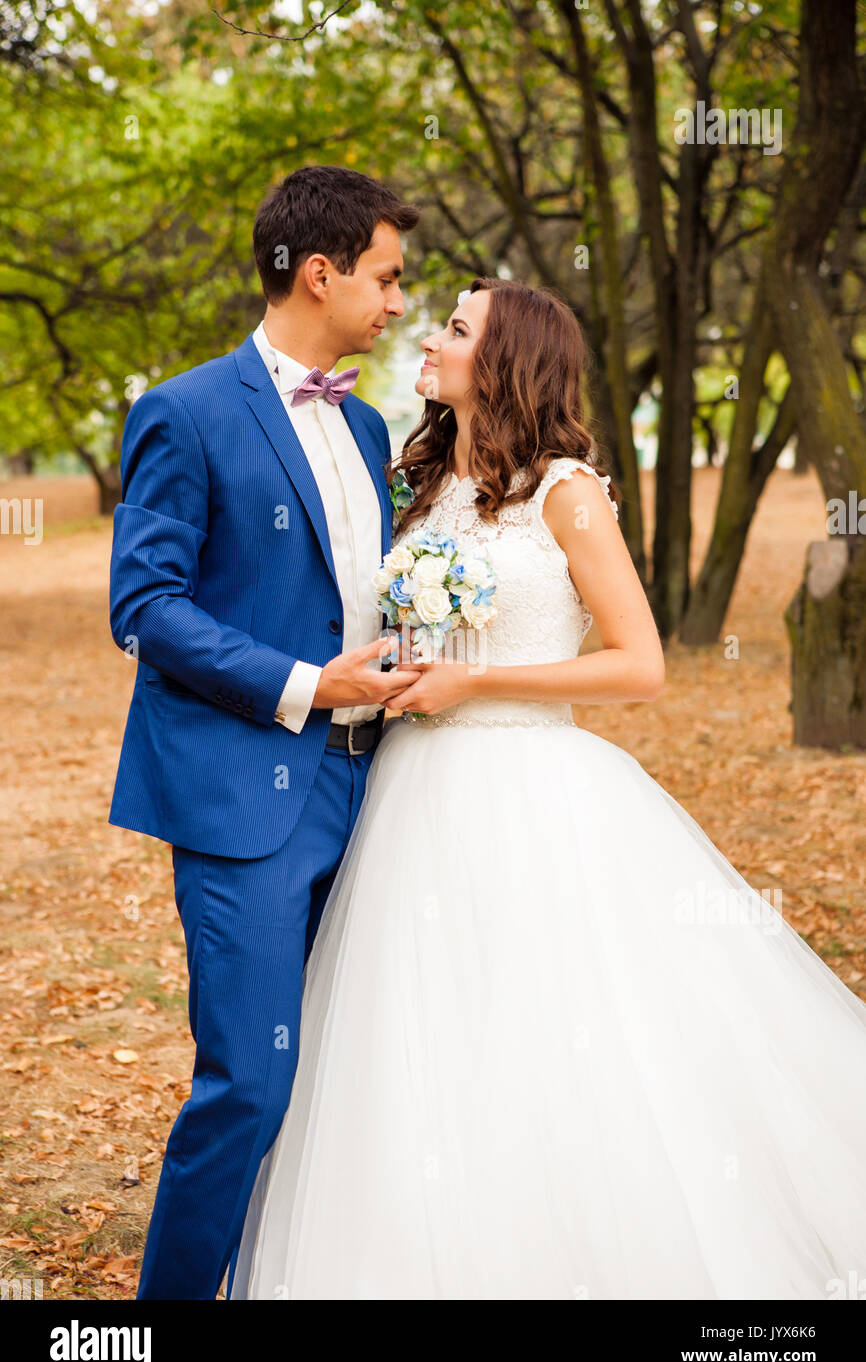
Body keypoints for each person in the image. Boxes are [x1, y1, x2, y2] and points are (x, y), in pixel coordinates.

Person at [230, 276, 866, 1300]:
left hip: (531, 786)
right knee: (420, 1036)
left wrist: (476, 680)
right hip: (410, 796)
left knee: (556, 1024)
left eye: (454, 327)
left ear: (507, 358)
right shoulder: (422, 481)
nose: (428, 339)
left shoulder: (566, 490)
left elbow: (638, 663)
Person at [108, 165, 420, 1299]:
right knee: (248, 1081)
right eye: (386, 279)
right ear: (322, 272)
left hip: (381, 792)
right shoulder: (182, 411)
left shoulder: (372, 421)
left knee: (347, 1067)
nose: (396, 304)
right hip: (250, 797)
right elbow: (143, 609)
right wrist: (304, 681)